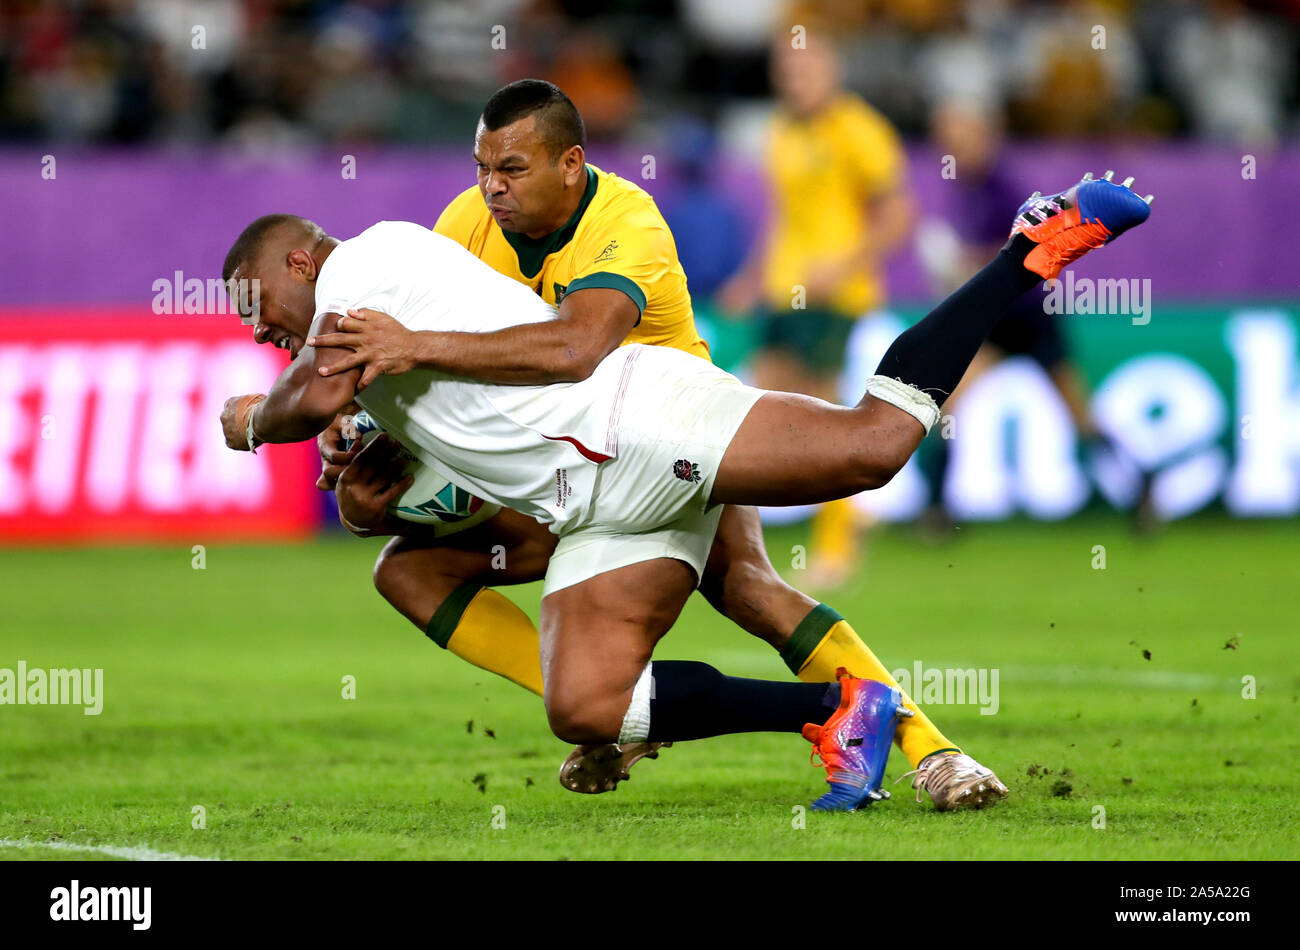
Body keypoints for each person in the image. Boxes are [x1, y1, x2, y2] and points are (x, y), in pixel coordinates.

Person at [218, 172, 1152, 810]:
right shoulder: (430, 260)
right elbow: (399, 445)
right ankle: (837, 712)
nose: (269, 337)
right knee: (583, 706)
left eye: (263, 312)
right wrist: (361, 487)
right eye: (486, 168)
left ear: (302, 263)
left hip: (643, 408)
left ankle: (1029, 248)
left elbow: (328, 392)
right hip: (582, 499)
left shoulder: (370, 260)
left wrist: (254, 419)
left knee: (867, 453)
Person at [308, 79, 983, 808]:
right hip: (559, 465)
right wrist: (359, 434)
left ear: (570, 164)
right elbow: (436, 370)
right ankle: (623, 717)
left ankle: (932, 749)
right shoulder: (464, 225)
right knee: (406, 571)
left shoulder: (625, 217)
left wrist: (400, 354)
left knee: (747, 586)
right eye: (481, 168)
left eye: (510, 170)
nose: (490, 188)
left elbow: (573, 348)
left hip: (671, 435)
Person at [718, 29, 914, 586]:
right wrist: (752, 278)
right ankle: (812, 530)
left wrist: (845, 265)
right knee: (766, 412)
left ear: (831, 71)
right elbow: (783, 217)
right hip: (784, 292)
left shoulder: (860, 129)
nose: (796, 80)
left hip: (835, 297)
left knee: (824, 412)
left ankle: (837, 545)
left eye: (807, 69)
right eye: (788, 71)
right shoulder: (779, 132)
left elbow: (898, 216)